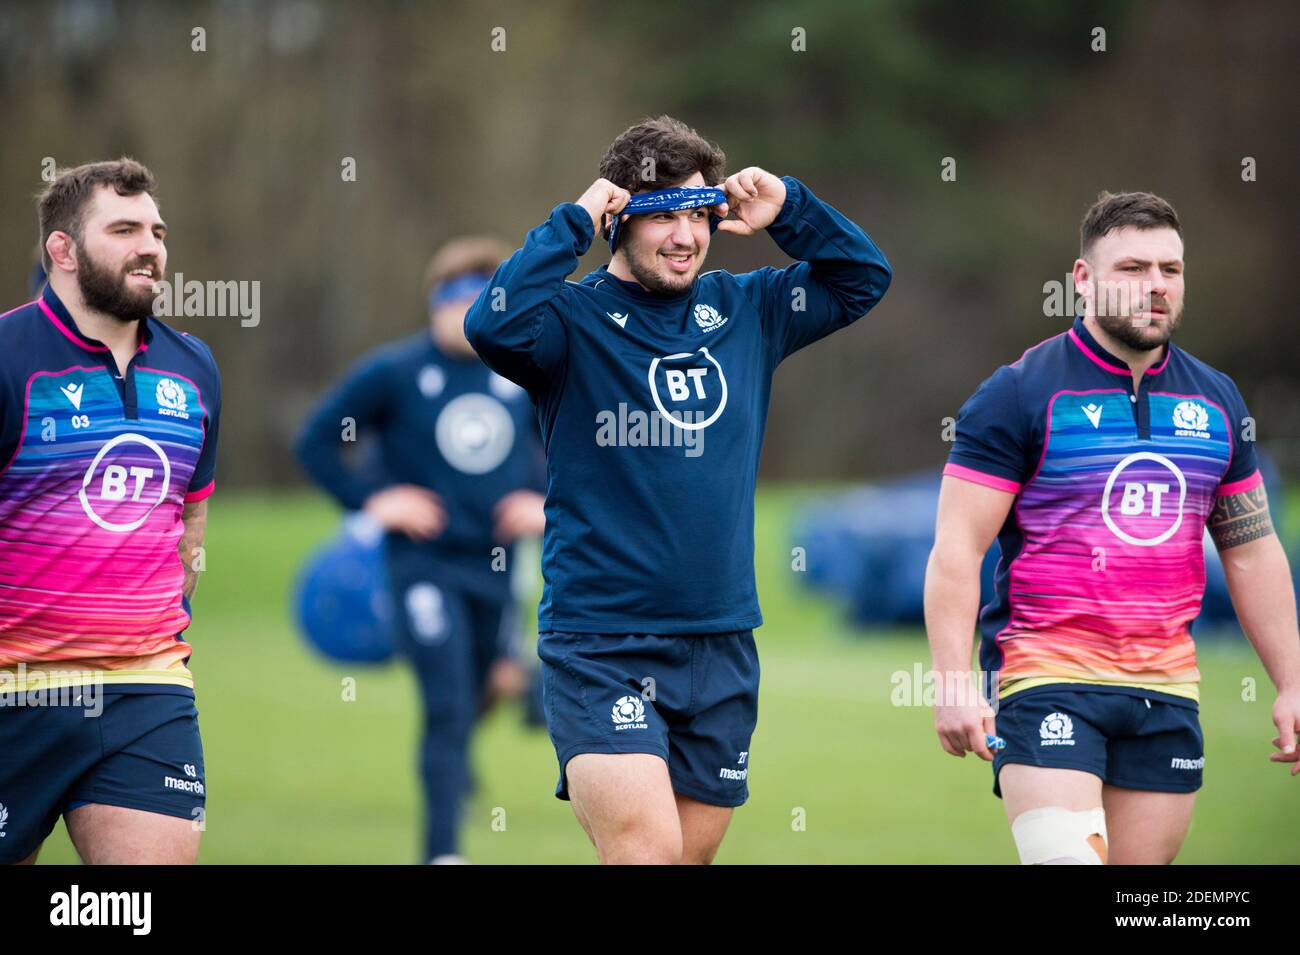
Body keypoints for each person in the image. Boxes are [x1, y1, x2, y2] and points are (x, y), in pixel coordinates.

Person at [465, 115, 892, 864]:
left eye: (697, 214)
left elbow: (863, 278)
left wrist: (789, 206)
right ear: (618, 220)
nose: (684, 234)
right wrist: (570, 224)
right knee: (647, 850)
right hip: (601, 641)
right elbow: (491, 325)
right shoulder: (570, 320)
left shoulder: (748, 308)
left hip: (720, 643)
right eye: (660, 214)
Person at [924, 190, 1300, 864]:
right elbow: (958, 548)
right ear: (1083, 279)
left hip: (1167, 690)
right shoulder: (1018, 392)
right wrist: (952, 683)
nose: (1155, 286)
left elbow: (1251, 550)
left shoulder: (1217, 401)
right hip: (1044, 677)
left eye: (1170, 270)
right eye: (1132, 268)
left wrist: (1294, 680)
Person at [294, 236, 545, 864]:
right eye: (455, 299)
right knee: (447, 701)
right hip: (423, 565)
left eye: (483, 299)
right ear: (435, 304)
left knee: (485, 686)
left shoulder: (526, 373)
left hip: (496, 569)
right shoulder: (395, 372)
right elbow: (318, 440)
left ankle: (466, 759)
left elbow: (573, 454)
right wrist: (372, 503)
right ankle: (443, 853)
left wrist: (545, 504)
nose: (467, 313)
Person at [0, 158, 221, 864]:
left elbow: (190, 525)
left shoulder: (193, 368)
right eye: (123, 229)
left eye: (155, 230)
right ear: (61, 251)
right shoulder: (9, 358)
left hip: (144, 690)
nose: (149, 246)